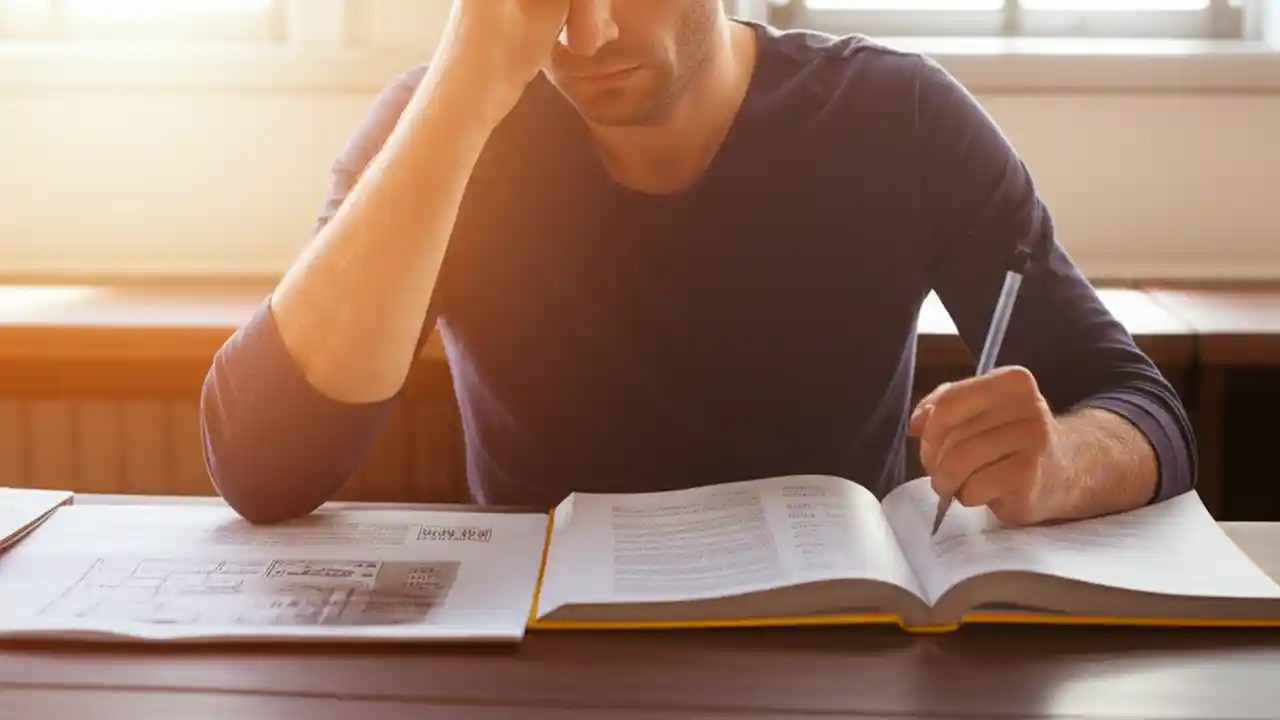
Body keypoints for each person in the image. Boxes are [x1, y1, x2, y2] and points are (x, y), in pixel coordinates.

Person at [200, 0, 1196, 525]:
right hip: (541, 675)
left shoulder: (899, 117)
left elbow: (1135, 403)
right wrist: (463, 89)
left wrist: (1059, 464)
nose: (585, 33)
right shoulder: (447, 124)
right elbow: (261, 469)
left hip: (835, 657)